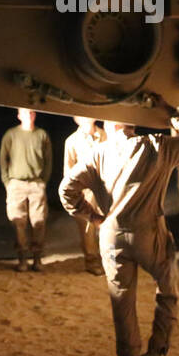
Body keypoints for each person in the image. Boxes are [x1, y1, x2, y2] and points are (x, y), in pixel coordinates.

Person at [59, 109, 179, 356]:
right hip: (149, 234)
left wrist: (95, 218)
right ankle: (155, 352)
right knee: (168, 290)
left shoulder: (97, 154)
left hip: (112, 236)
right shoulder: (157, 146)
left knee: (122, 304)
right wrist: (171, 113)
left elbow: (66, 191)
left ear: (109, 124)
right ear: (133, 121)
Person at [0, 108, 52, 272]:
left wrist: (44, 180)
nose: (28, 115)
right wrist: (7, 181)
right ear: (19, 115)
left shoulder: (42, 135)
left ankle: (37, 259)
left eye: (31, 113)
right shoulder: (11, 134)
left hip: (36, 183)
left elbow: (49, 159)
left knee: (39, 222)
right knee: (18, 222)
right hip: (16, 183)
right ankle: (22, 258)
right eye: (25, 113)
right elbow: (3, 158)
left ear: (35, 115)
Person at [63, 116, 107, 276]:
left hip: (106, 187)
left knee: (109, 225)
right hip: (86, 189)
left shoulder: (106, 135)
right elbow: (68, 168)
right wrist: (74, 193)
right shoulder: (72, 141)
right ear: (76, 119)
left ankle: (110, 260)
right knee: (88, 228)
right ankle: (92, 262)